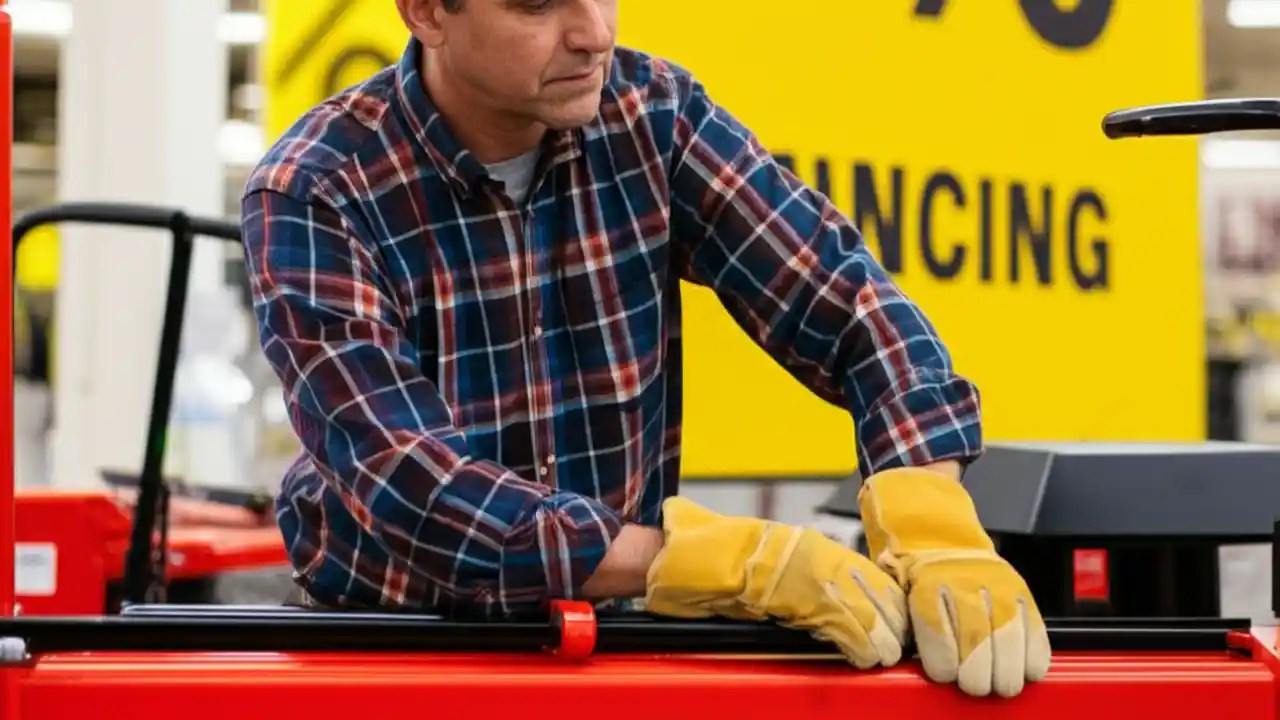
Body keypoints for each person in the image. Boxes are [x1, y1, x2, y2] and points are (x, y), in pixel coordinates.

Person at [239, 0, 1050, 699]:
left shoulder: (654, 116)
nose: (593, 32)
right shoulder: (317, 189)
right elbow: (414, 486)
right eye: (536, 6)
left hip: (610, 652)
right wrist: (726, 563)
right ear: (424, 11)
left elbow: (848, 306)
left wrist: (930, 517)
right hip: (397, 660)